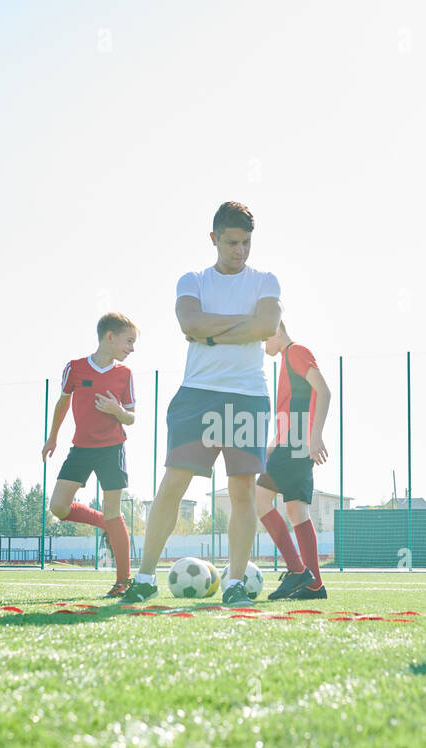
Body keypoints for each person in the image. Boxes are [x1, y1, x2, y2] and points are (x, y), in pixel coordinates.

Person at [119, 201, 281, 607]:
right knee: (173, 485)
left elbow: (267, 327)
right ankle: (143, 578)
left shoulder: (266, 280)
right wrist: (234, 328)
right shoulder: (192, 280)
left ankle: (234, 585)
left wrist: (212, 332)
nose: (239, 251)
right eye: (231, 243)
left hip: (248, 397)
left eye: (246, 243)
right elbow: (190, 324)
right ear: (213, 239)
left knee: (242, 492)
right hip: (198, 394)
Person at [41, 313, 137, 597]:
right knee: (58, 507)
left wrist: (117, 412)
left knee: (114, 513)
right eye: (128, 341)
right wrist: (52, 436)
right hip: (81, 448)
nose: (132, 348)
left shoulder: (125, 374)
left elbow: (131, 417)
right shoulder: (75, 368)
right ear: (110, 336)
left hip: (112, 449)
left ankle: (123, 582)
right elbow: (63, 402)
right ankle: (102, 523)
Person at [257, 321, 332, 599]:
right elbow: (295, 407)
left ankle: (297, 571)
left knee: (259, 499)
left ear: (275, 330)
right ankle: (314, 586)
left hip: (297, 444)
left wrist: (316, 436)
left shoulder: (297, 351)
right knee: (296, 512)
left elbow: (324, 391)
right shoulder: (287, 359)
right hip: (291, 443)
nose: (262, 348)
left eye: (263, 340)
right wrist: (275, 444)